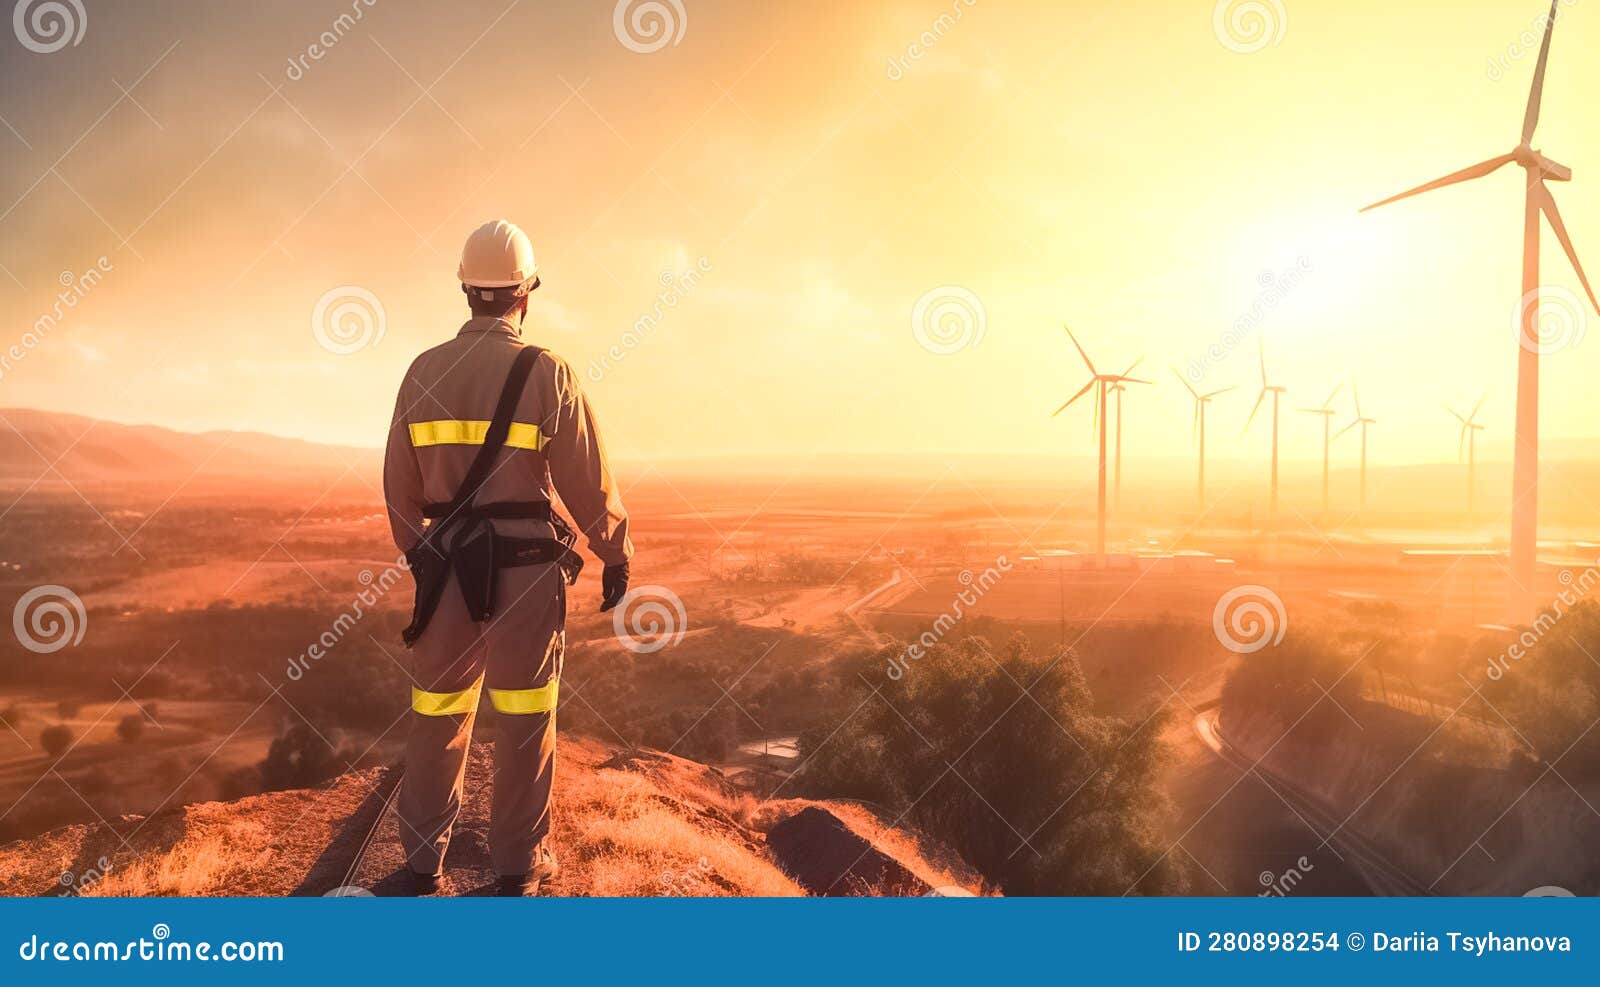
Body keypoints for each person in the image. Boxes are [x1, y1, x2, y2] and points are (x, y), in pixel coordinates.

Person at [382, 219, 633, 896]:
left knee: (438, 711)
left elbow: (400, 488)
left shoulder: (422, 371)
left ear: (466, 289)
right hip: (525, 571)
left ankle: (420, 861)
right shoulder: (548, 372)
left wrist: (426, 558)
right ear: (526, 293)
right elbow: (587, 477)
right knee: (525, 715)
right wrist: (614, 550)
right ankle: (518, 865)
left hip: (446, 569)